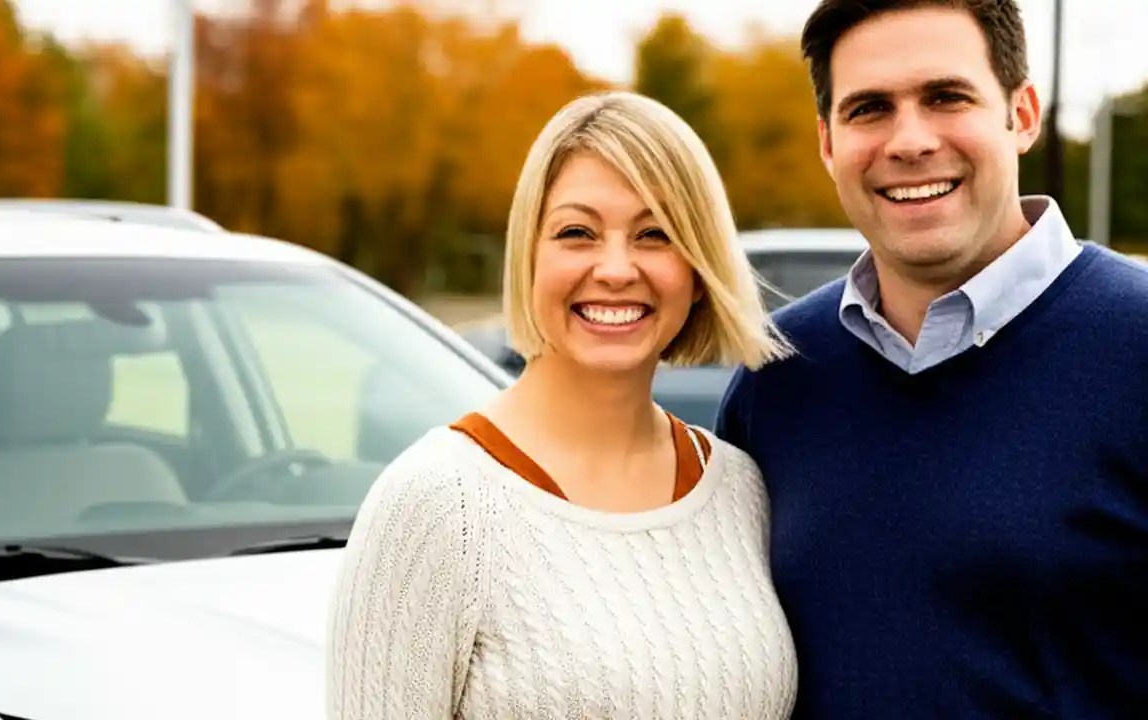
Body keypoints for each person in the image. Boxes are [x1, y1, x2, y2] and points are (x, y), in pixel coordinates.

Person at [715, 1, 1148, 717]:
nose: (909, 140)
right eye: (869, 109)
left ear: (1023, 113)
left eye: (946, 97)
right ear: (828, 144)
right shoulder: (779, 376)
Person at [327, 90, 798, 718]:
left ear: (698, 266)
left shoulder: (740, 489)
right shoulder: (438, 502)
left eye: (655, 234)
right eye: (577, 232)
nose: (614, 268)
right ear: (529, 255)